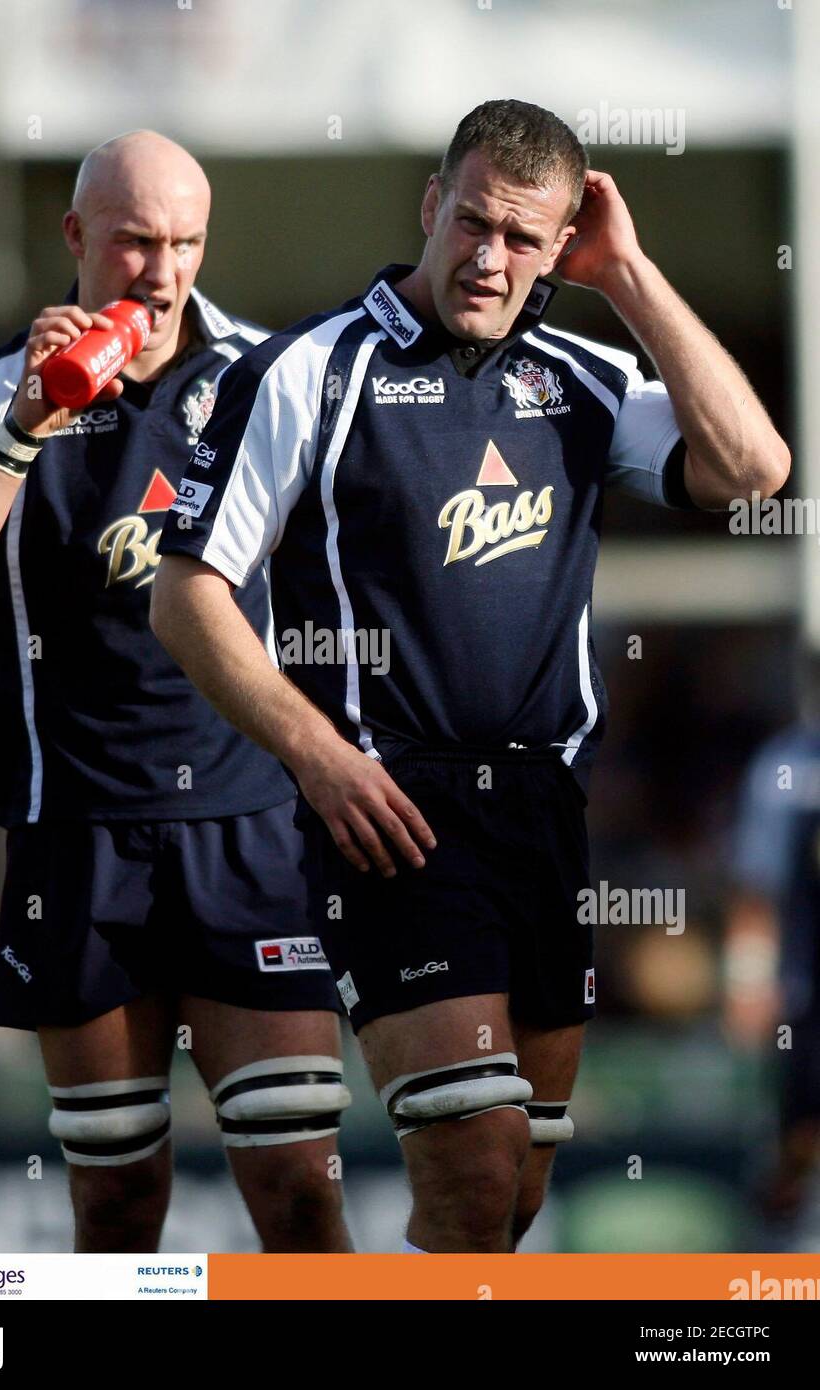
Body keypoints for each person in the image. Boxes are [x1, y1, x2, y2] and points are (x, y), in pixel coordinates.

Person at [150, 99, 790, 1253]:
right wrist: (316, 756)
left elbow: (752, 466)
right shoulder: (308, 373)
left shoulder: (577, 378)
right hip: (389, 812)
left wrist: (631, 275)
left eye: (522, 238)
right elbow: (185, 593)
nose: (489, 258)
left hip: (543, 814)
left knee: (509, 1201)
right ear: (430, 204)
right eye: (474, 222)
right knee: (472, 1159)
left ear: (558, 252)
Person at [0, 130, 352, 1254]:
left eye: (184, 242)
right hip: (74, 836)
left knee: (298, 1187)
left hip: (247, 829)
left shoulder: (263, 377)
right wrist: (27, 424)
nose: (162, 270)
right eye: (135, 241)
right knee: (119, 1203)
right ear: (76, 236)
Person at [725, 654, 820, 1238]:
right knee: (799, 1126)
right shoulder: (786, 766)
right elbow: (758, 888)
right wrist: (748, 983)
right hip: (805, 993)